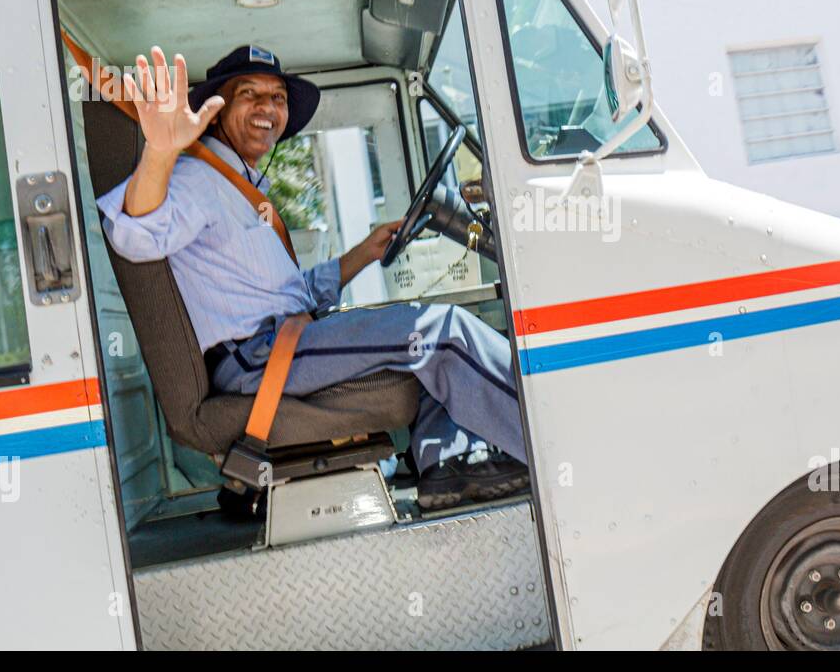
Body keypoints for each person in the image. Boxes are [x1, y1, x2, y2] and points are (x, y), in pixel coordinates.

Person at [96, 44, 529, 509]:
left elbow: (291, 296)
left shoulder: (240, 187)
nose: (268, 107)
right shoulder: (195, 178)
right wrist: (161, 151)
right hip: (259, 359)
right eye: (249, 94)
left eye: (278, 98)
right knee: (441, 334)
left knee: (419, 337)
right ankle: (550, 444)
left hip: (284, 343)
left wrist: (363, 254)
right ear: (217, 111)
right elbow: (134, 238)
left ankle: (450, 467)